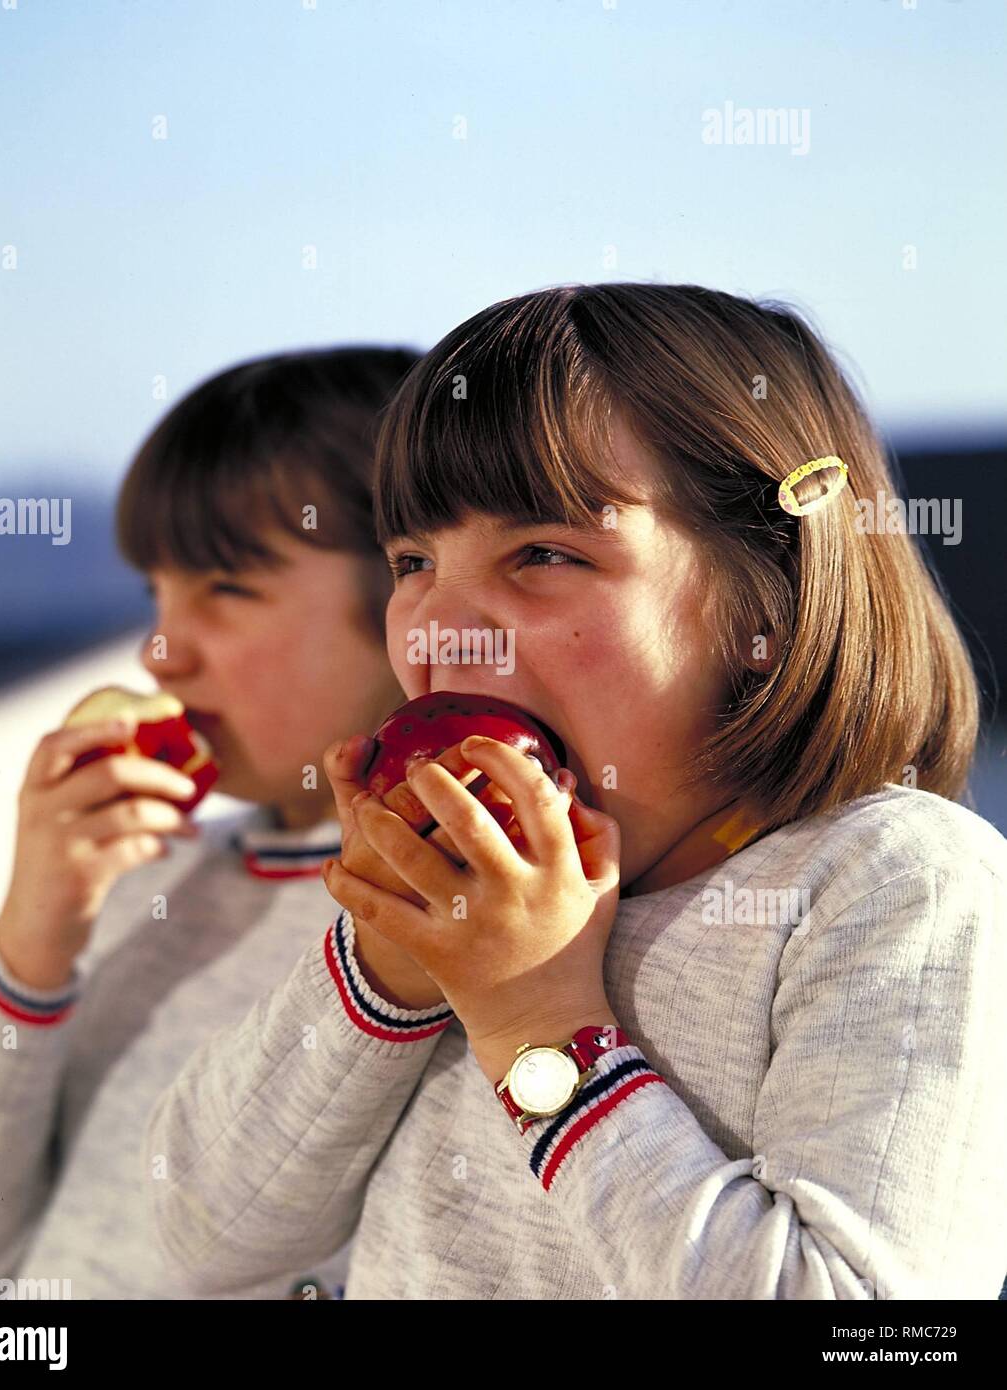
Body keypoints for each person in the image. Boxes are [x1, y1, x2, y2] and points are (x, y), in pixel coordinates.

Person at [146, 283, 1007, 1300]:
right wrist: (385, 965)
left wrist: (538, 1028)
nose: (437, 630)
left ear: (761, 600)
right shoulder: (447, 901)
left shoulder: (889, 882)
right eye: (411, 561)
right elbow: (204, 1238)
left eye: (544, 554)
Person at [0, 345, 417, 1299]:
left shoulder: (456, 927)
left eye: (226, 590)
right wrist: (33, 937)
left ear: (412, 596)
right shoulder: (145, 883)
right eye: (156, 593)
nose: (159, 650)